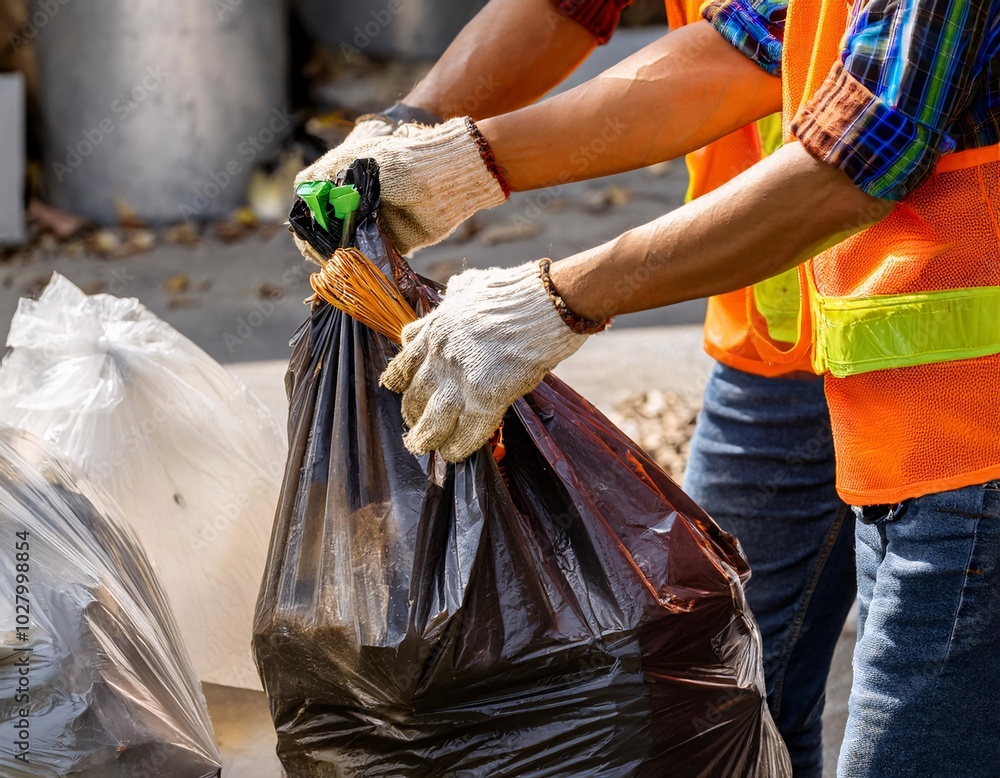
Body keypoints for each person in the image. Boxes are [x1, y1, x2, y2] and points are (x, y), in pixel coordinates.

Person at [299, 0, 1000, 774]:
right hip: (878, 400)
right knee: (708, 682)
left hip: (966, 429)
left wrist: (558, 298)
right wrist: (451, 156)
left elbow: (859, 154)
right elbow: (751, 49)